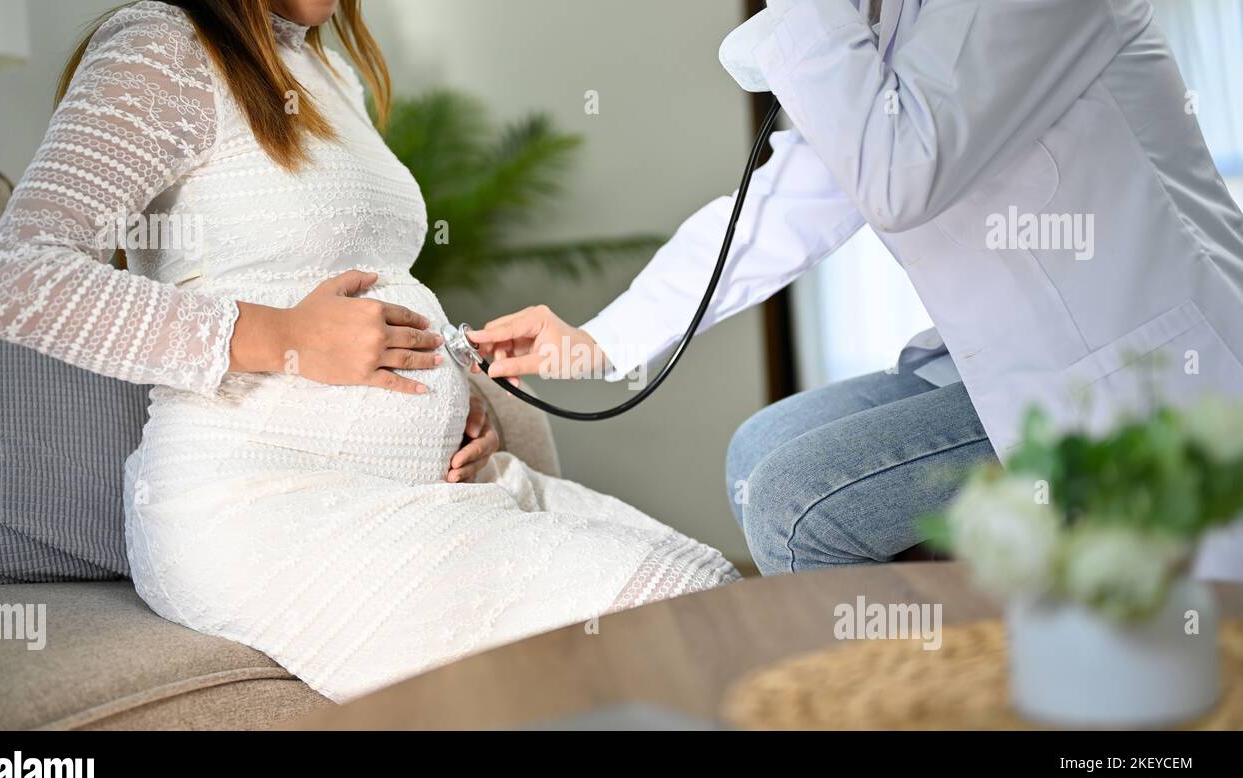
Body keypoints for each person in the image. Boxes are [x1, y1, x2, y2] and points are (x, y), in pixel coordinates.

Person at [0, 0, 738, 702]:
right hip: (258, 506)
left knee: (728, 602)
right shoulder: (160, 49)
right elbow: (18, 281)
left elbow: (360, 278)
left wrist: (456, 408)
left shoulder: (325, 68)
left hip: (422, 489)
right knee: (673, 616)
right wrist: (285, 337)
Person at [470, 0, 1243, 577]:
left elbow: (899, 174)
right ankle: (969, 662)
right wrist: (599, 338)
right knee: (758, 450)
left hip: (1151, 374)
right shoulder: (901, 24)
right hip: (1023, 370)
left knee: (797, 506)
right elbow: (781, 210)